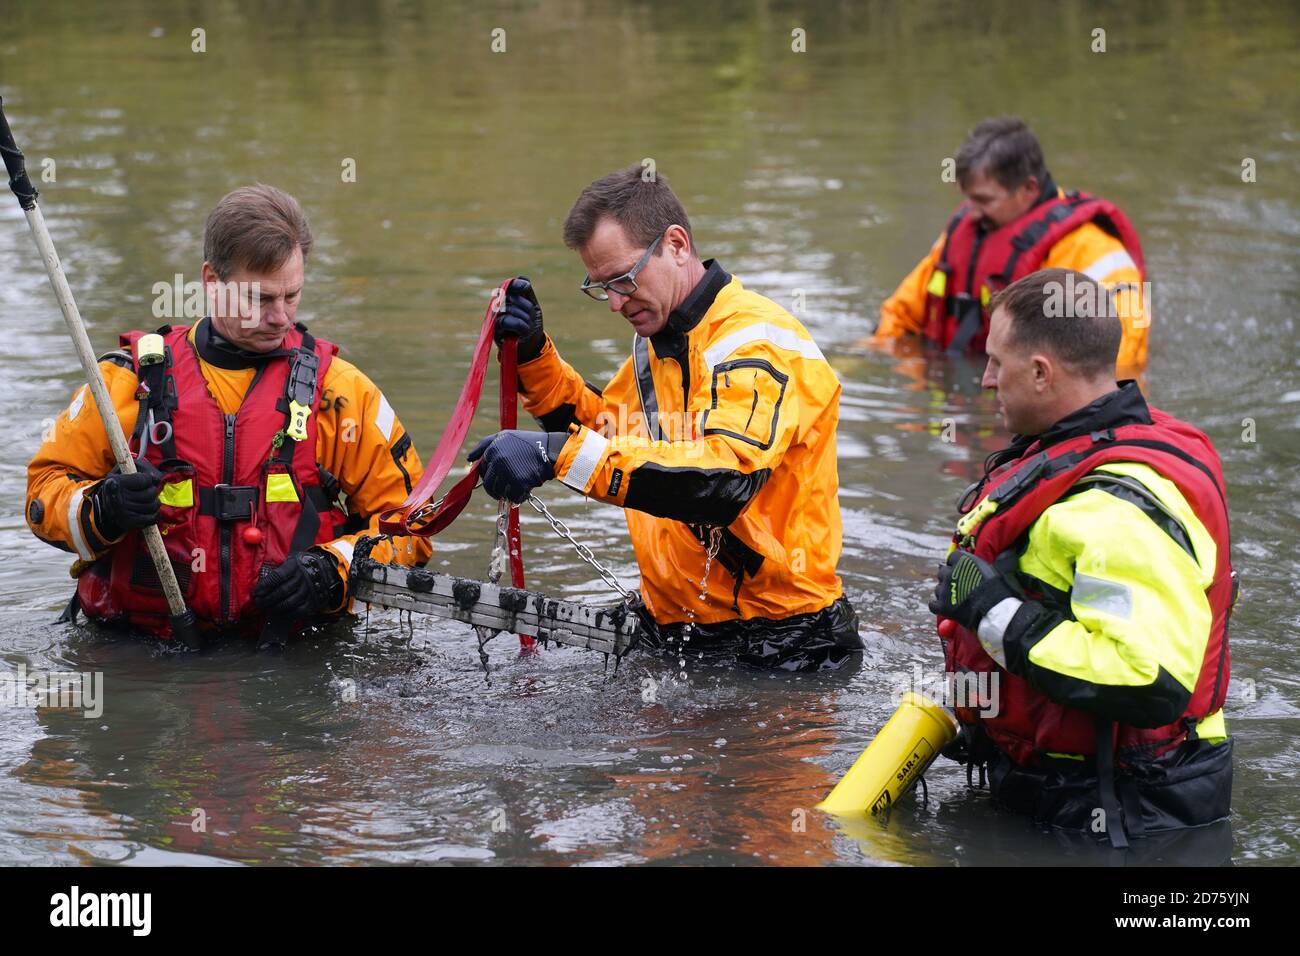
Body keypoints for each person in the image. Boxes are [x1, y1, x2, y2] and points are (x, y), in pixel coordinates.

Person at [468, 164, 861, 671]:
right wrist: (534, 359)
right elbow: (610, 438)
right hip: (678, 629)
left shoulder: (755, 344)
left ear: (676, 245)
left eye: (624, 279)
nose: (613, 303)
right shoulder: (660, 344)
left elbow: (722, 481)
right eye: (600, 286)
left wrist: (553, 455)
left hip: (783, 643)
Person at [26, 184, 432, 639]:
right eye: (260, 300)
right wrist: (104, 507)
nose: (281, 318)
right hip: (138, 655)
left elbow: (411, 527)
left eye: (291, 296)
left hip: (291, 658)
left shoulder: (341, 393)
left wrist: (332, 569)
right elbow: (43, 498)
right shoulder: (127, 382)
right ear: (211, 281)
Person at [929, 267, 1235, 846]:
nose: (987, 380)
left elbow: (1147, 678)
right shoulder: (1090, 444)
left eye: (997, 362)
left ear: (1041, 373)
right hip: (1075, 791)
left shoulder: (1116, 508)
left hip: (1128, 816)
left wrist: (992, 612)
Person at [875, 118, 1150, 373]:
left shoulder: (1092, 250)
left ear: (1029, 188)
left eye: (984, 200)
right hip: (968, 386)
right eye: (968, 199)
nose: (972, 213)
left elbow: (1121, 358)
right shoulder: (967, 233)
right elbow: (900, 316)